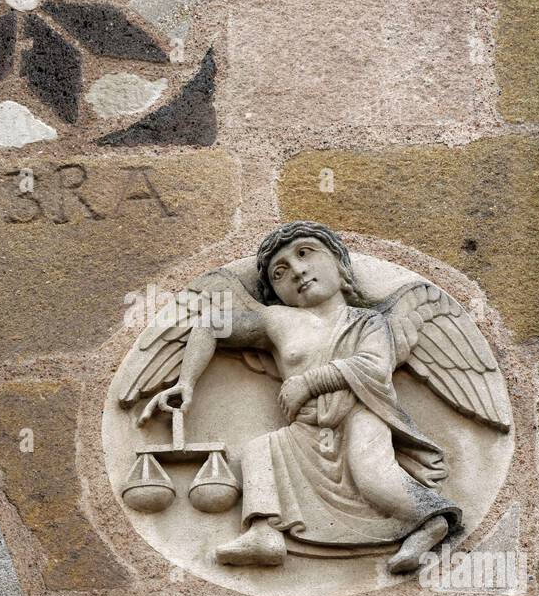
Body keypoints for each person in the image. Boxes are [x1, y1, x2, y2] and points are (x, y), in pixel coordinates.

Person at [139, 222, 461, 572]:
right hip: (306, 427)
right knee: (258, 450)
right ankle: (264, 534)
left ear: (339, 263)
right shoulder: (277, 320)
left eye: (305, 254)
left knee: (371, 472)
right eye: (280, 272)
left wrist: (309, 383)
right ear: (276, 292)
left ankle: (430, 520)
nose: (297, 270)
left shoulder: (368, 322)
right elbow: (209, 326)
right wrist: (186, 383)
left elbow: (372, 367)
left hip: (359, 414)